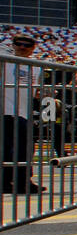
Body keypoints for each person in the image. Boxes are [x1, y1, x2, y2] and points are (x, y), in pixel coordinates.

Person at [3, 32, 41, 192]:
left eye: (27, 45)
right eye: (19, 44)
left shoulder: (37, 66)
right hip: (5, 109)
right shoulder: (5, 61)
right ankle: (4, 182)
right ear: (13, 45)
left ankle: (23, 181)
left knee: (25, 149)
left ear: (33, 48)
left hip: (25, 111)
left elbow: (36, 89)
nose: (22, 47)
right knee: (5, 148)